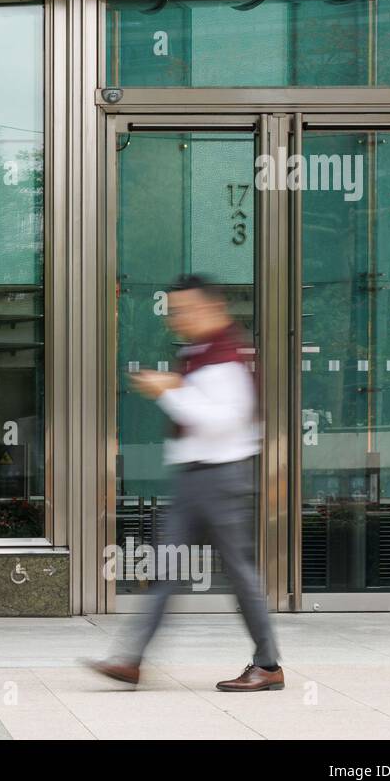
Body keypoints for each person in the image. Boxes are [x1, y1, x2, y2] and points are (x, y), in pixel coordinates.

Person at [90, 274, 283, 692]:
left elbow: (223, 420)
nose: (177, 319)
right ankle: (131, 660)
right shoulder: (199, 353)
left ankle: (267, 664)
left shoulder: (227, 356)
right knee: (166, 568)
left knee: (238, 573)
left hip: (223, 477)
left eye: (185, 310)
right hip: (195, 479)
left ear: (213, 308)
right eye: (173, 311)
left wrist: (170, 389)